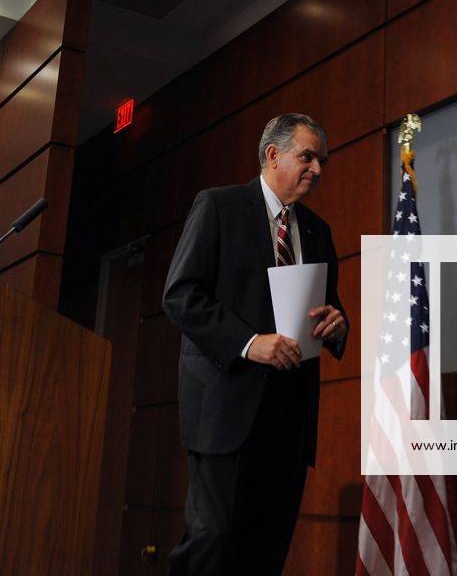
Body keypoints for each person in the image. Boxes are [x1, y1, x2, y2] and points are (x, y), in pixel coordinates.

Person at [162, 113, 349, 575]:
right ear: (273, 155)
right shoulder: (218, 207)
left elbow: (329, 310)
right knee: (213, 543)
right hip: (226, 410)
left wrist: (337, 325)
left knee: (266, 549)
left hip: (288, 419)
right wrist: (249, 342)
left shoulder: (318, 231)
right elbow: (181, 295)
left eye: (322, 160)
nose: (318, 169)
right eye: (307, 157)